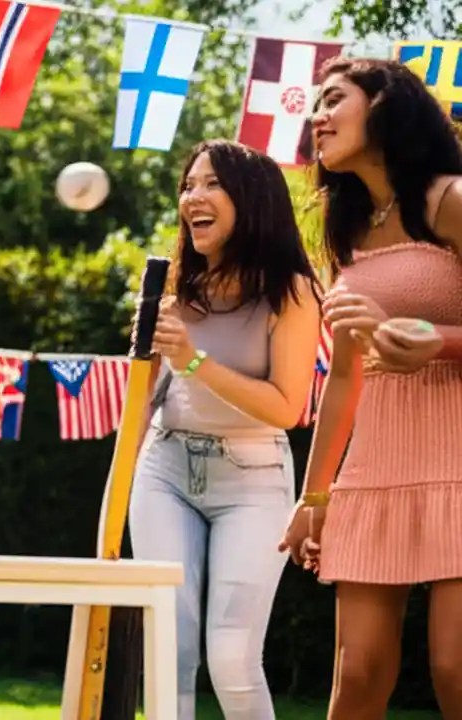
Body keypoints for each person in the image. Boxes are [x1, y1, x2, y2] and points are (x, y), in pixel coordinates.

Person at [279, 57, 462, 718]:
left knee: (455, 667)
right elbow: (346, 375)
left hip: (458, 461)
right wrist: (314, 495)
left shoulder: (450, 199)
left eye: (333, 99)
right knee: (357, 677)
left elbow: (418, 338)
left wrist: (436, 341)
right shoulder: (346, 229)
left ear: (386, 105)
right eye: (314, 106)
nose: (316, 116)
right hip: (376, 467)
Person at [128, 139, 322, 719]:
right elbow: (144, 397)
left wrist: (192, 359)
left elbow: (287, 407)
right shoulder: (172, 285)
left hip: (253, 478)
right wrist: (115, 499)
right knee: (169, 647)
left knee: (233, 656)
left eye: (211, 183)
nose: (193, 197)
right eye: (189, 185)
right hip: (163, 470)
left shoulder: (292, 291)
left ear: (252, 199)